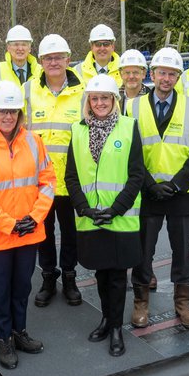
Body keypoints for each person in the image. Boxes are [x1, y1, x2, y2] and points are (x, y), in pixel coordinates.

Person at [0, 80, 55, 369]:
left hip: (27, 232)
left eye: (13, 111)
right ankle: (4, 338)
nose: (7, 117)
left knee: (22, 287)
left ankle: (19, 332)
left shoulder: (34, 141)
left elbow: (48, 181)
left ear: (19, 114)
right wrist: (10, 223)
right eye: (2, 111)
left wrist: (34, 217)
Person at [125, 47, 189, 330]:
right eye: (162, 72)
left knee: (182, 251)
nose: (166, 78)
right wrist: (149, 184)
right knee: (143, 251)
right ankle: (141, 303)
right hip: (147, 194)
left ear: (178, 76)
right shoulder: (132, 107)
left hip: (181, 194)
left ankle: (182, 303)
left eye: (172, 74)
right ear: (152, 74)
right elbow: (131, 153)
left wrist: (176, 184)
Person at [66, 75, 145, 356]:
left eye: (105, 98)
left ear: (115, 101)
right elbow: (71, 177)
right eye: (95, 98)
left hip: (120, 219)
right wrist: (85, 209)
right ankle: (106, 319)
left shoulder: (128, 127)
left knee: (117, 277)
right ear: (88, 101)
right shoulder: (77, 130)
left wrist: (116, 209)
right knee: (101, 273)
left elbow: (136, 175)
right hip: (91, 218)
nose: (100, 103)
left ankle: (116, 329)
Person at [24, 34, 84, 308]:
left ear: (68, 59)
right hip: (39, 182)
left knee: (72, 234)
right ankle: (48, 277)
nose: (54, 62)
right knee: (42, 233)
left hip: (73, 180)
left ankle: (70, 278)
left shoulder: (83, 92)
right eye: (49, 58)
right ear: (40, 61)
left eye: (59, 57)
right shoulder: (28, 91)